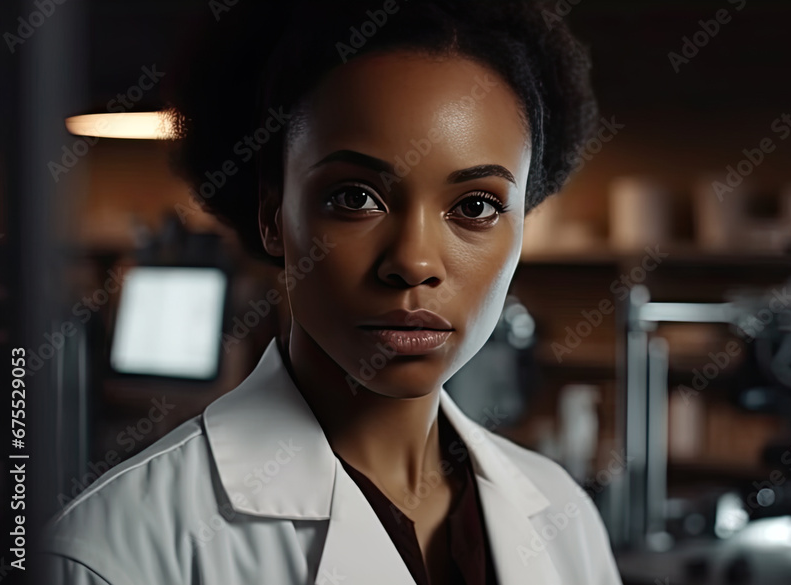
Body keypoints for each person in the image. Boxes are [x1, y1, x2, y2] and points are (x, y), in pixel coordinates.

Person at [38, 1, 622, 583]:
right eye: (355, 198)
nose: (413, 262)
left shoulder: (566, 521)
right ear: (273, 214)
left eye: (476, 206)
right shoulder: (114, 555)